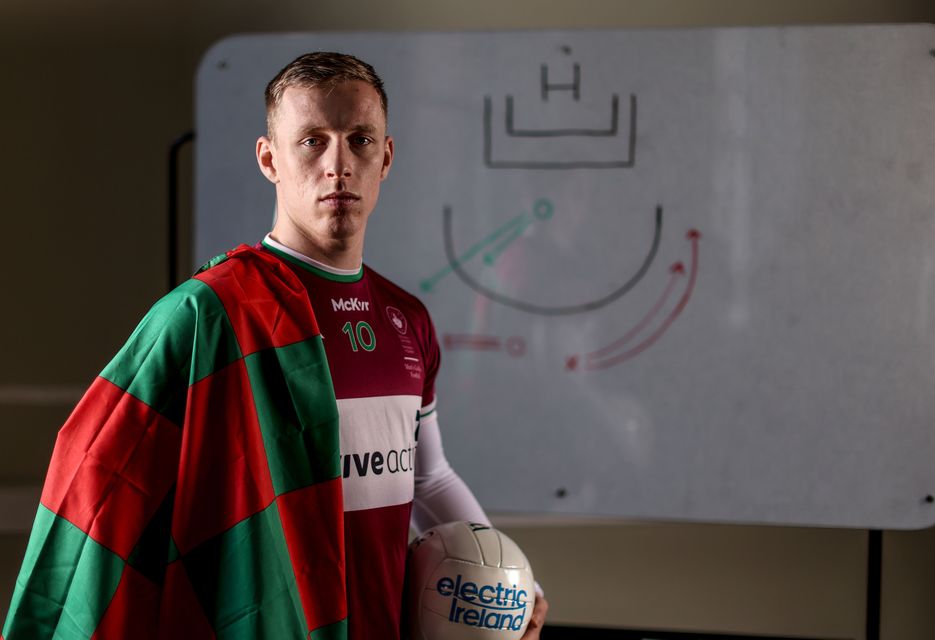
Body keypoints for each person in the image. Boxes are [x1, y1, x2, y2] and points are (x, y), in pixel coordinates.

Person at [1, 52, 547, 640]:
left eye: (359, 139)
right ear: (270, 160)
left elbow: (428, 477)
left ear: (385, 157)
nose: (339, 164)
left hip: (385, 623)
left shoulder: (405, 320)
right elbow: (96, 481)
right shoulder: (206, 315)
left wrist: (519, 587)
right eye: (313, 141)